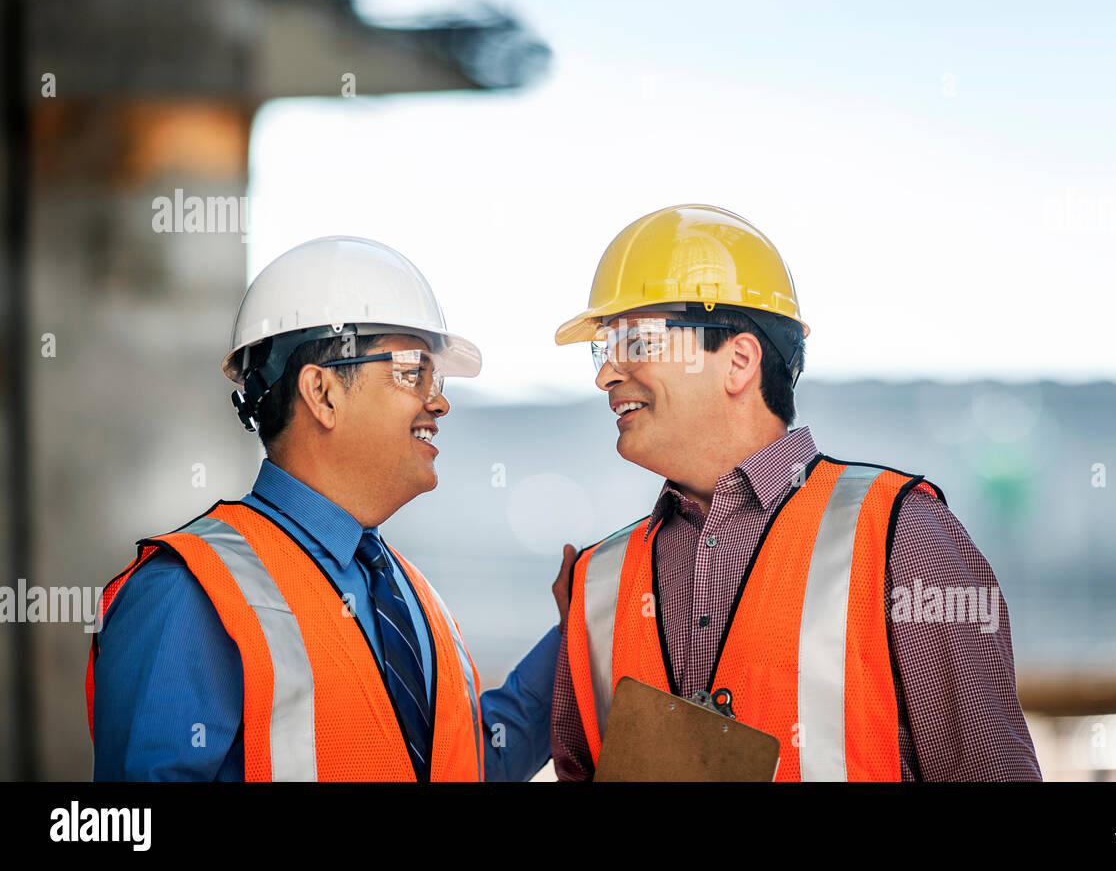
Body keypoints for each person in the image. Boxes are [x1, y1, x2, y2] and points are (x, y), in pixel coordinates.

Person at [551, 204, 1041, 781]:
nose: (606, 373)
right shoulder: (596, 582)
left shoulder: (901, 536)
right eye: (604, 348)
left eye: (636, 342)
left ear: (738, 361)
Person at [88, 235, 566, 781]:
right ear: (322, 393)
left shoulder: (411, 598)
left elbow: (465, 765)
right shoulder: (189, 592)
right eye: (414, 372)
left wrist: (587, 620)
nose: (439, 401)